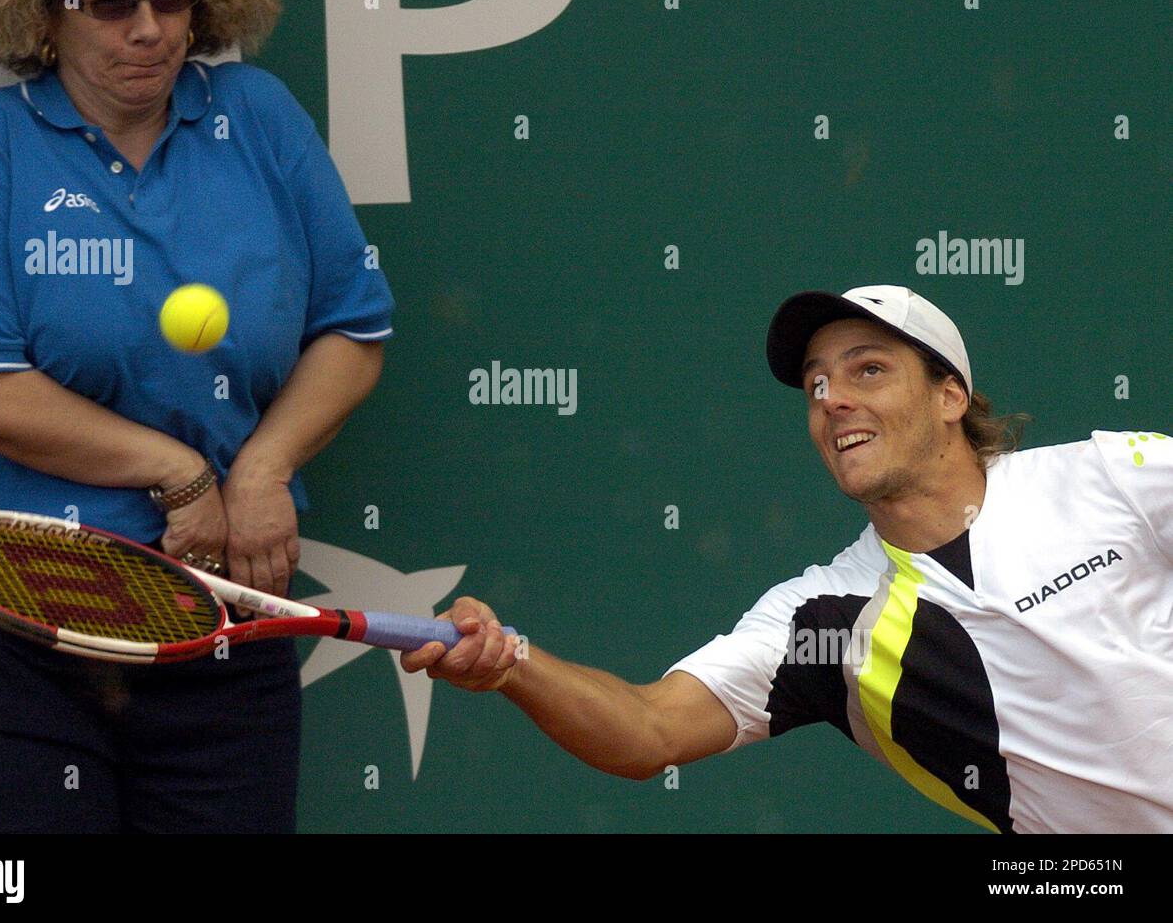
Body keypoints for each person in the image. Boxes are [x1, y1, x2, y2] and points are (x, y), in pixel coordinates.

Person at [0, 0, 393, 832]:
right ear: (41, 14)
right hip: (10, 599)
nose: (149, 29)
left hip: (222, 602)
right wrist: (181, 471)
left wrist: (259, 472)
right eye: (111, 4)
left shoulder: (260, 116)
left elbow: (353, 331)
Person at [403, 285, 1173, 833]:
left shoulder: (1112, 475)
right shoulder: (824, 622)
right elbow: (649, 731)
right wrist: (514, 666)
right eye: (817, 384)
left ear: (950, 396)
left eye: (868, 369)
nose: (832, 397)